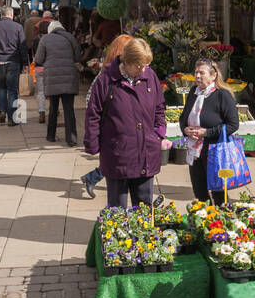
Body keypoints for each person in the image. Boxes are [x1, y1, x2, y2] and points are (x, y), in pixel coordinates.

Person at [84, 38, 168, 208]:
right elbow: (93, 115)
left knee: (144, 210)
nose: (143, 69)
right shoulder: (105, 80)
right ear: (126, 61)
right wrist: (92, 143)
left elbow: (160, 107)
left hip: (146, 152)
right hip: (118, 154)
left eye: (146, 65)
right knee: (117, 210)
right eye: (139, 65)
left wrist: (158, 133)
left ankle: (143, 235)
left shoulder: (149, 76)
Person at [80, 35, 136, 199]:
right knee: (118, 162)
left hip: (127, 129)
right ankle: (92, 177)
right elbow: (91, 102)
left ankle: (92, 177)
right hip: (113, 128)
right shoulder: (106, 77)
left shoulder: (134, 74)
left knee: (121, 161)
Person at [180, 59, 240, 204]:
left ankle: (222, 222)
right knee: (199, 192)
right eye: (196, 72)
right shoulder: (193, 93)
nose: (198, 76)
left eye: (202, 73)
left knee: (219, 194)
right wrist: (185, 129)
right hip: (195, 151)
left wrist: (206, 132)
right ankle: (204, 220)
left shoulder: (222, 95)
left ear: (213, 76)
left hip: (215, 151)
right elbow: (183, 118)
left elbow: (233, 125)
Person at [35, 19, 82, 148]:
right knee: (69, 109)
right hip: (68, 77)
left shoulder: (45, 39)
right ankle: (71, 138)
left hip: (52, 78)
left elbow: (38, 59)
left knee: (53, 108)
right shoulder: (71, 38)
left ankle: (51, 135)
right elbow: (78, 57)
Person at [0, 7, 29, 126]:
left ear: (2, 14)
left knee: (1, 87)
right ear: (11, 14)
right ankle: (12, 118)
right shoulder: (18, 27)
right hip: (13, 61)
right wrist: (25, 62)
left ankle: (2, 112)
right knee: (12, 90)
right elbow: (22, 46)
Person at [31, 16, 51, 124]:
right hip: (50, 67)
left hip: (38, 68)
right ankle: (54, 109)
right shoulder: (52, 39)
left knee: (41, 92)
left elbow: (33, 53)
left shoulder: (35, 40)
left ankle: (42, 112)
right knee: (52, 90)